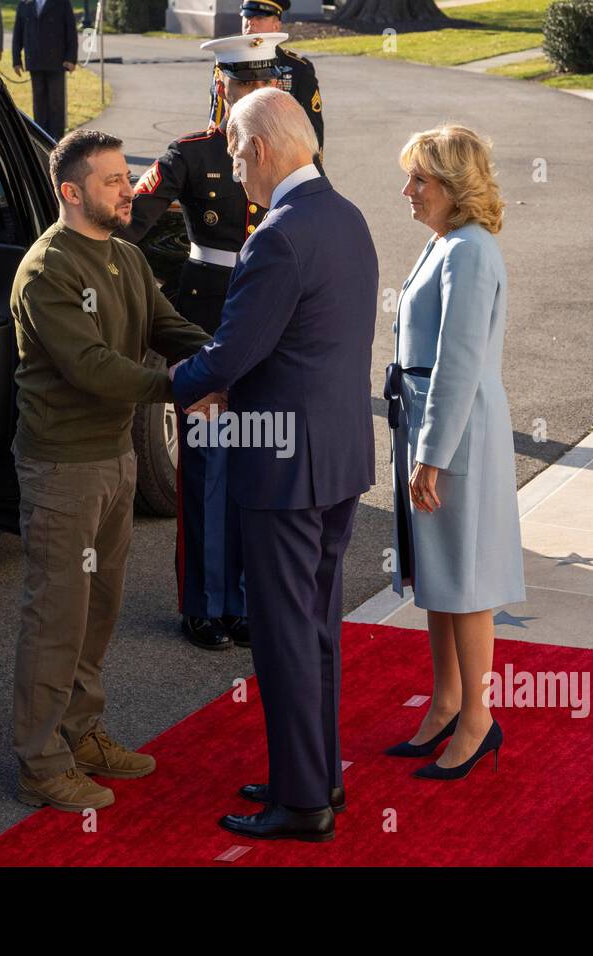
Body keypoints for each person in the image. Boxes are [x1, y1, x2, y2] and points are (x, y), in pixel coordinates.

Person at [170, 88, 377, 842]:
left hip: (285, 467)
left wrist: (169, 385)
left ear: (259, 148)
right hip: (337, 456)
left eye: (232, 154)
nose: (230, 171)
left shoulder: (279, 235)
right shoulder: (345, 215)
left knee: (286, 631)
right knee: (316, 626)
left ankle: (303, 801)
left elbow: (234, 352)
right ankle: (316, 772)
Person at [10, 129, 222, 812]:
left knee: (99, 610)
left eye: (125, 176)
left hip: (117, 460)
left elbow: (170, 328)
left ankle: (80, 732)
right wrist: (187, 386)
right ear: (71, 192)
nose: (127, 188)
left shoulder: (127, 257)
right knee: (58, 616)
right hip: (64, 467)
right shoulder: (48, 271)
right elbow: (93, 370)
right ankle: (42, 763)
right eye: (110, 180)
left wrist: (225, 358)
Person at [116, 34, 283, 653]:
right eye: (243, 85)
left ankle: (240, 600)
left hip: (271, 318)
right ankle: (203, 603)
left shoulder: (289, 155)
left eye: (264, 85)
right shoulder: (190, 154)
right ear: (221, 88)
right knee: (207, 468)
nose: (253, 97)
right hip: (206, 319)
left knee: (255, 464)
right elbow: (129, 224)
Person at [385, 124, 525, 781]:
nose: (408, 190)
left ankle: (478, 719)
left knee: (465, 582)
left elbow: (460, 361)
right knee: (440, 574)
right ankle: (446, 704)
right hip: (432, 421)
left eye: (421, 180)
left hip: (455, 428)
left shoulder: (467, 251)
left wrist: (431, 454)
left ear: (453, 187)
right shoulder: (446, 242)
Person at [207, 1, 324, 167]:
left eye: (260, 17)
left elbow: (312, 130)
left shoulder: (298, 68)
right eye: (247, 15)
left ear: (277, 26)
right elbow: (217, 118)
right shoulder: (226, 64)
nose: (251, 22)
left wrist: (313, 174)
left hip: (282, 161)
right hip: (235, 157)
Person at [12, 0, 78, 142]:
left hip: (57, 61)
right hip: (35, 61)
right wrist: (16, 60)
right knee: (39, 102)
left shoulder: (62, 3)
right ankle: (41, 139)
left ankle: (57, 140)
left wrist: (71, 58)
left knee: (56, 102)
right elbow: (18, 32)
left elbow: (71, 30)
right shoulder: (25, 3)